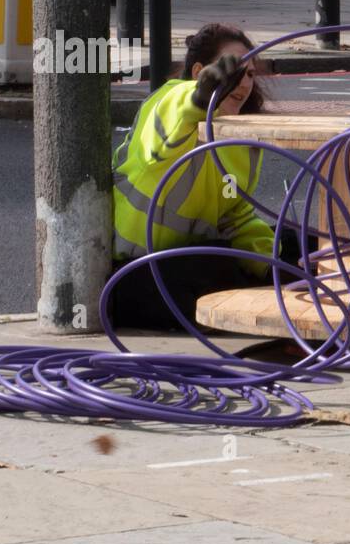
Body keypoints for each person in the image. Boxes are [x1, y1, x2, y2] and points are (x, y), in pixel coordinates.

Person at [107, 23, 287, 331]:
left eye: (248, 74)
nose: (241, 84)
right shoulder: (165, 104)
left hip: (188, 263)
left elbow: (236, 217)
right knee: (217, 270)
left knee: (303, 245)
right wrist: (201, 95)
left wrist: (274, 264)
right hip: (137, 276)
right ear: (199, 71)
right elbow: (175, 110)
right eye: (230, 73)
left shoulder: (237, 140)